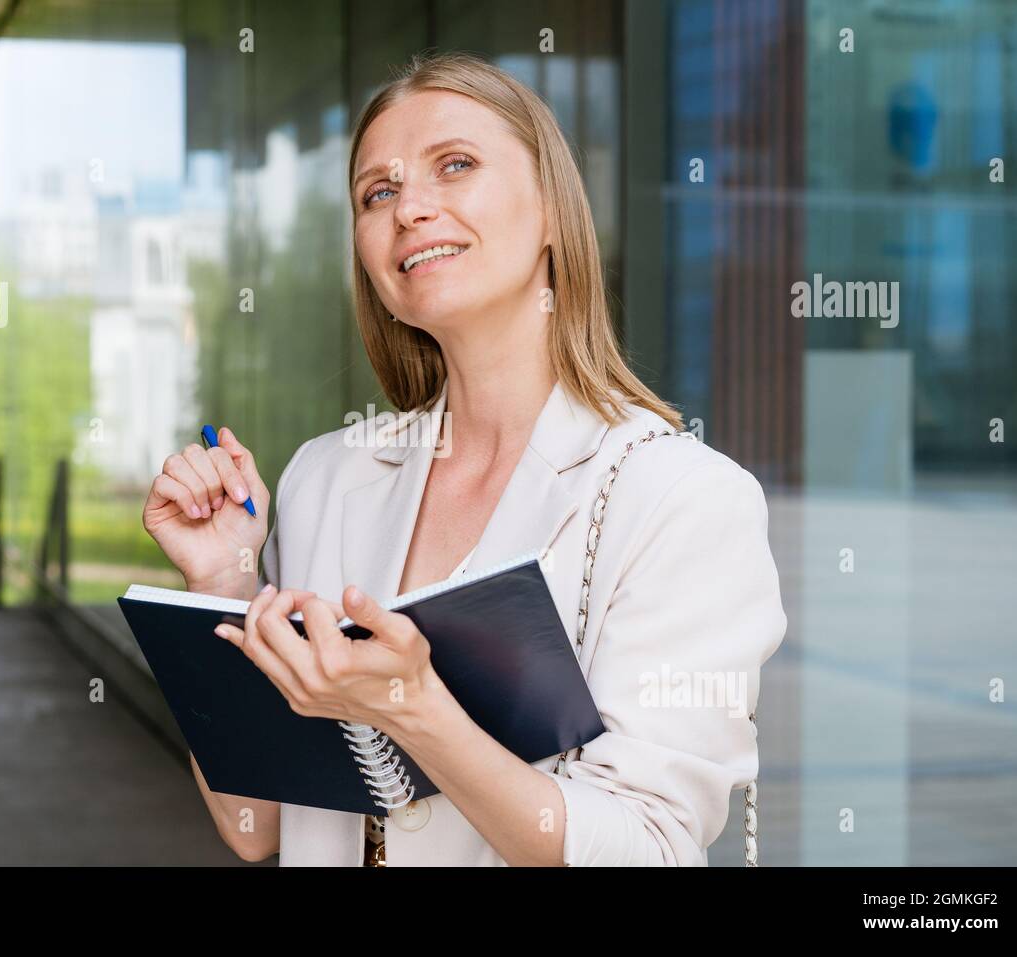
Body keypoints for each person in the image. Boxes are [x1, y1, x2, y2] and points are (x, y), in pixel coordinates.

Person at [143, 51, 786, 866]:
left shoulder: (683, 499)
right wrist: (224, 583)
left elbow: (648, 848)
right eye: (379, 191)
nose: (411, 207)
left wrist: (415, 707)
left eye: (455, 165)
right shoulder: (324, 480)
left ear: (553, 207)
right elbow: (256, 826)